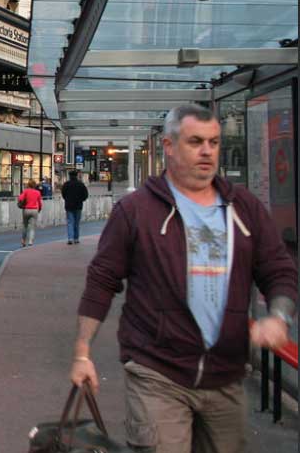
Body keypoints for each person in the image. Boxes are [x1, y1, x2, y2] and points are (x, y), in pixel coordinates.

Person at [70, 103, 297, 453]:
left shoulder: (245, 209)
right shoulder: (136, 211)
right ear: (169, 146)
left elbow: (278, 270)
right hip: (157, 373)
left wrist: (279, 317)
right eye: (195, 141)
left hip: (227, 374)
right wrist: (83, 353)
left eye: (214, 142)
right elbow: (102, 280)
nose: (207, 151)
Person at [61, 169, 89, 245]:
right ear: (76, 176)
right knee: (76, 223)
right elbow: (86, 195)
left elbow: (63, 194)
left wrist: (67, 199)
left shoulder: (66, 184)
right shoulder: (81, 184)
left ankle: (70, 238)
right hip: (78, 205)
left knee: (70, 222)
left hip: (69, 206)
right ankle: (76, 238)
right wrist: (81, 200)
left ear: (69, 176)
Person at [17, 179, 42, 247]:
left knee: (25, 226)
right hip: (34, 210)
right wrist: (39, 209)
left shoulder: (26, 191)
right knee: (32, 227)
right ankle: (30, 241)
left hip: (26, 210)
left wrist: (20, 203)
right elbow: (40, 203)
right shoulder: (37, 192)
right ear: (34, 185)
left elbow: (20, 198)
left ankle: (23, 241)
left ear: (28, 184)